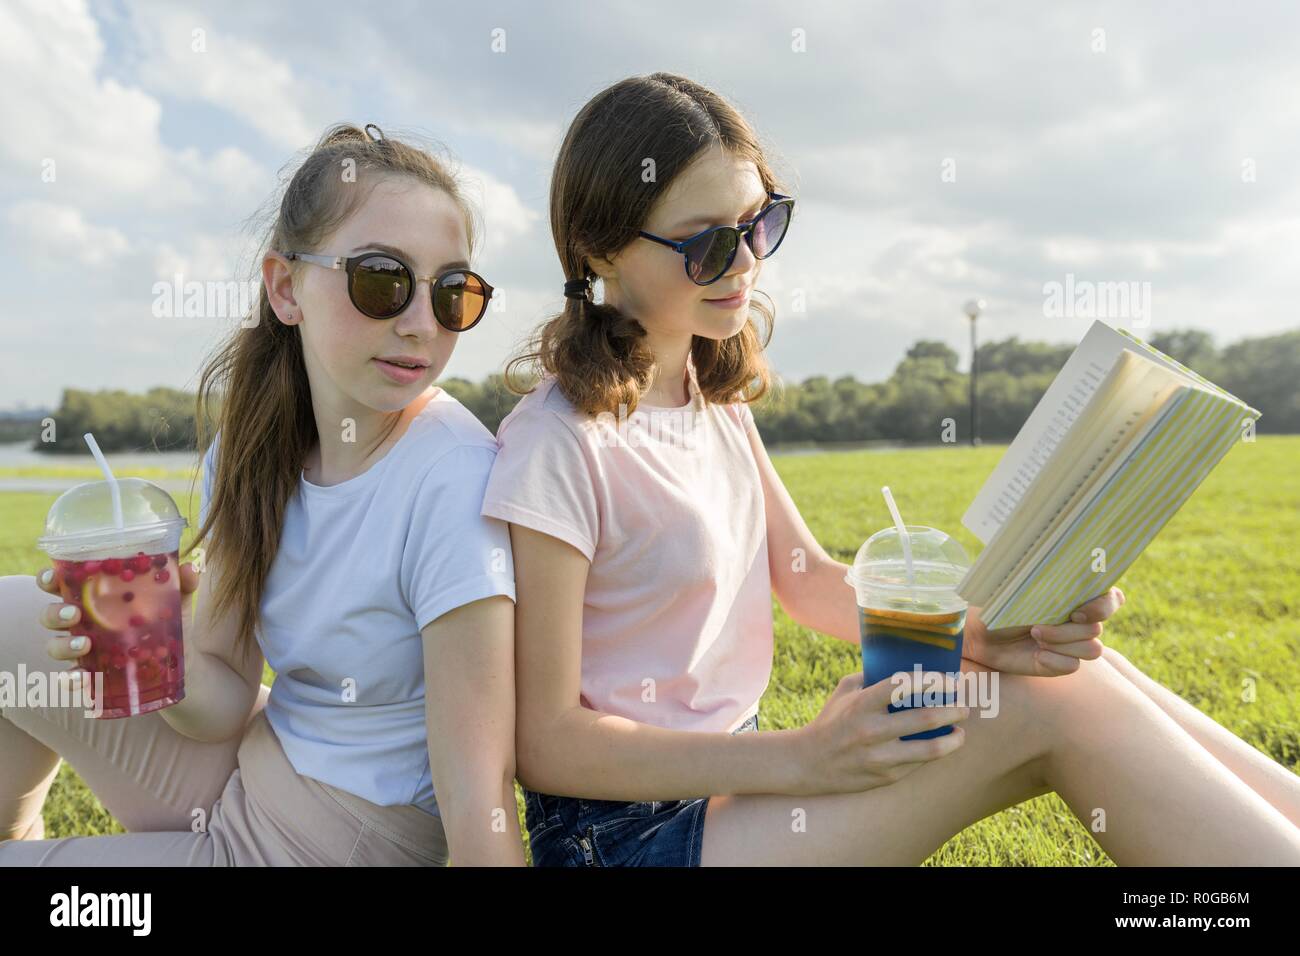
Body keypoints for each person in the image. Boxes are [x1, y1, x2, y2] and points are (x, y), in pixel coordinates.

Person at [480, 73, 1300, 866]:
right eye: (707, 245)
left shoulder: (709, 398)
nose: (744, 266)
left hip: (728, 796)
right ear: (599, 250)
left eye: (759, 226)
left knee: (1076, 674)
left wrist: (986, 633)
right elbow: (549, 744)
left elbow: (807, 580)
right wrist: (804, 759)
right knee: (1051, 711)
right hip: (622, 843)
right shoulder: (558, 444)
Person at [0, 123, 522, 866]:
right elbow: (216, 703)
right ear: (286, 287)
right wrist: (153, 658)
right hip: (248, 759)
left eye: (451, 294)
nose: (419, 324)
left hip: (337, 843)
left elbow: (480, 794)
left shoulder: (451, 482)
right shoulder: (255, 447)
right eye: (382, 279)